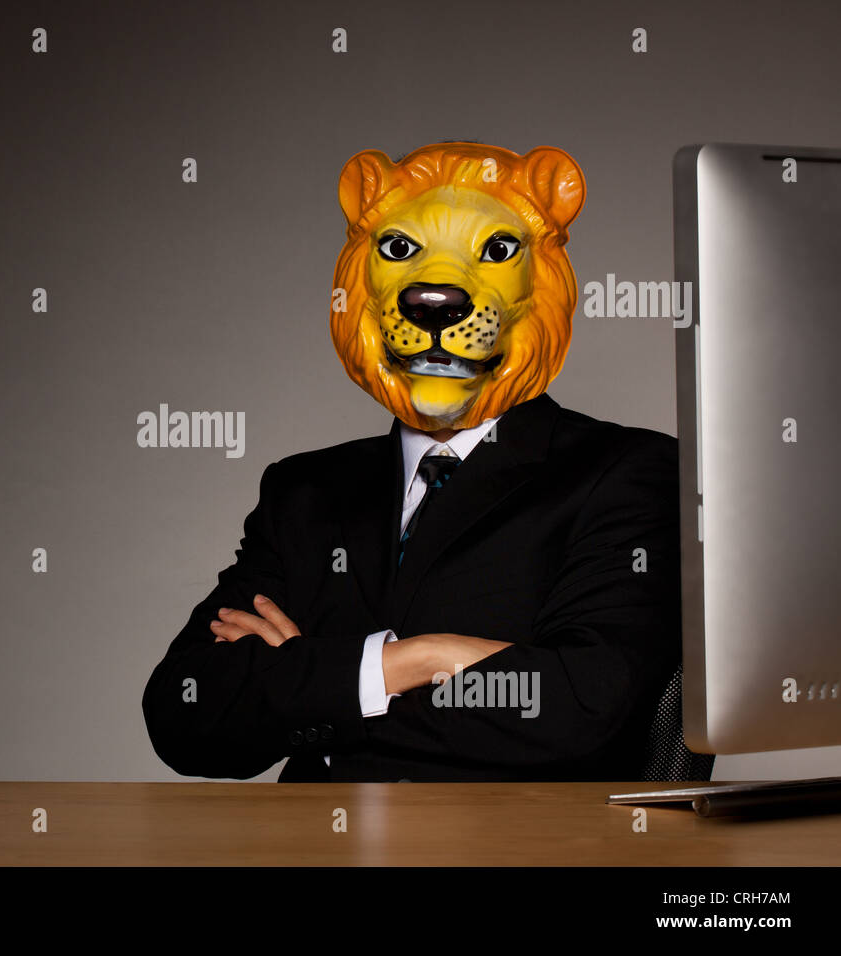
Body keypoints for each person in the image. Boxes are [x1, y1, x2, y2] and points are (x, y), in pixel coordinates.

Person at [141, 142, 680, 782]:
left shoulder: (628, 471)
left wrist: (318, 678)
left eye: (498, 250)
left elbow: (582, 708)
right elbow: (184, 709)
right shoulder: (305, 490)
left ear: (544, 279)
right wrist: (417, 661)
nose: (435, 296)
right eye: (399, 249)